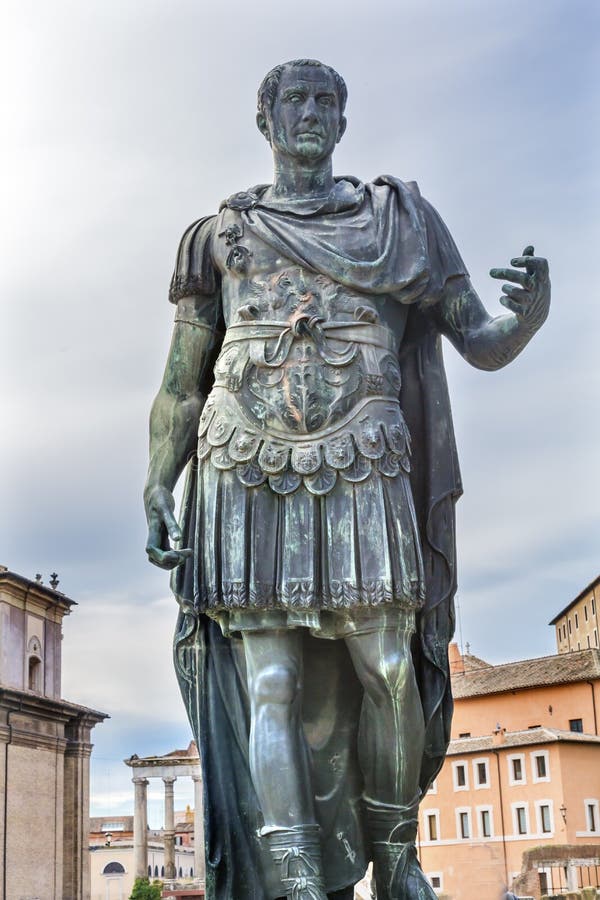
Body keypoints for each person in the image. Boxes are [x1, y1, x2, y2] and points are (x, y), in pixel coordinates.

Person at [144, 59, 550, 900]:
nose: (311, 113)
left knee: (389, 669)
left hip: (366, 454)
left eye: (327, 100)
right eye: (294, 99)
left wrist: (526, 319)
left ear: (343, 119)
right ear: (264, 119)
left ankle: (396, 857)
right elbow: (183, 380)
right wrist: (157, 483)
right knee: (272, 683)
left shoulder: (400, 223)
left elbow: (479, 337)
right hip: (242, 462)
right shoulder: (218, 237)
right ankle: (294, 875)